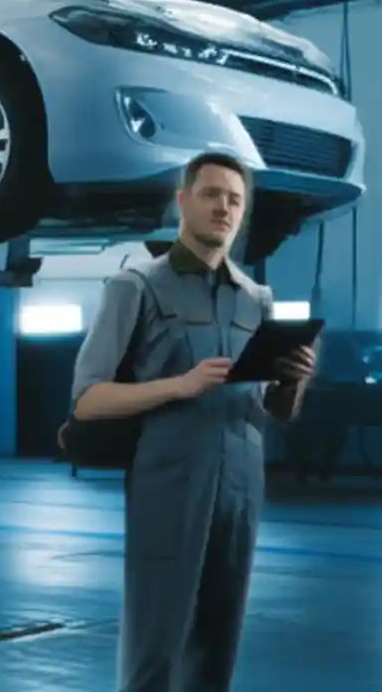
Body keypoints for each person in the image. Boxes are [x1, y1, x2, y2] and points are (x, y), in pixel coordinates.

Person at [70, 151, 317, 692]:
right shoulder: (136, 287)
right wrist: (178, 386)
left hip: (242, 486)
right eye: (210, 195)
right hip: (170, 482)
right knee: (154, 646)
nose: (223, 208)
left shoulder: (258, 299)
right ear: (183, 202)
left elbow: (274, 411)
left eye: (234, 199)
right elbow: (86, 399)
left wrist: (292, 381)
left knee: (218, 648)